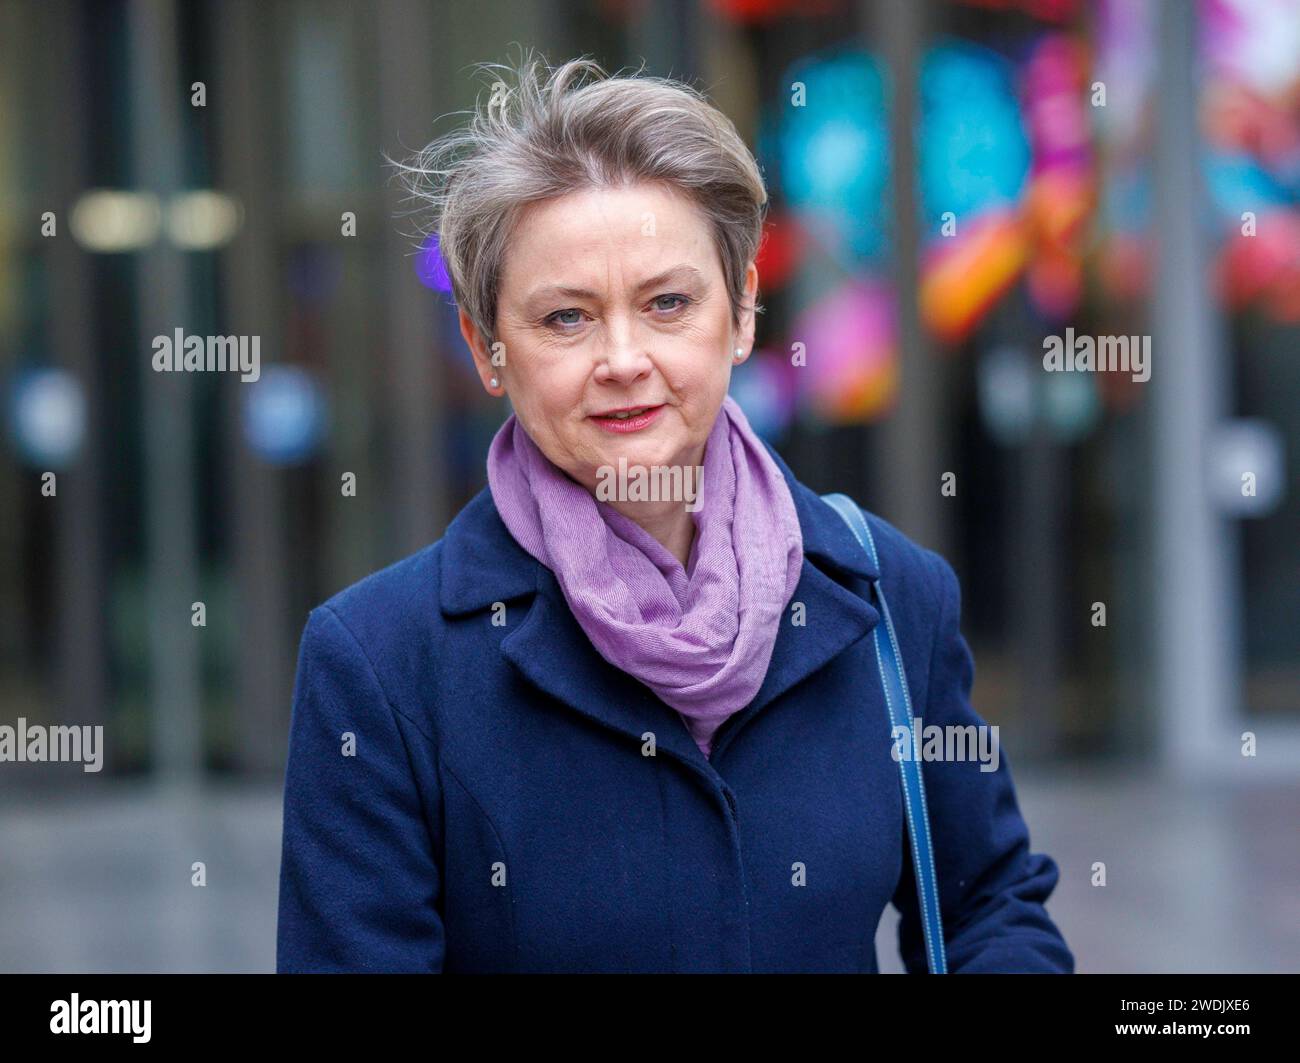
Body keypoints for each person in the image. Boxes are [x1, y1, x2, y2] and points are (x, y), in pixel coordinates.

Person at [275, 52, 1074, 974]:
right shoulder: (378, 662)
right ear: (485, 346)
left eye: (667, 303)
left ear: (740, 315)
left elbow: (994, 906)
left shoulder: (892, 595)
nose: (622, 357)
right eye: (566, 318)